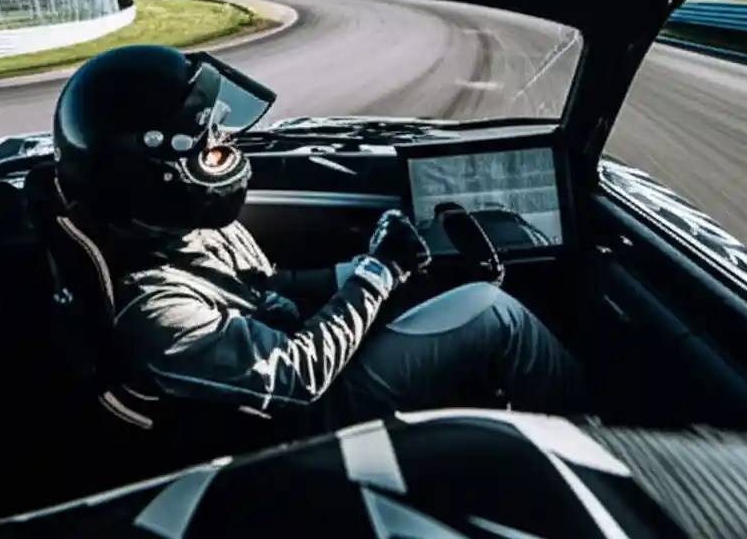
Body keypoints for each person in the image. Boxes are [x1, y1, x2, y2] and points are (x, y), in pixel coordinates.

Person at [52, 44, 585, 437]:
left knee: (441, 288)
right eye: (206, 146)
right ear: (154, 178)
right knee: (494, 314)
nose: (223, 149)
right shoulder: (154, 310)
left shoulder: (174, 231)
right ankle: (595, 435)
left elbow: (266, 286)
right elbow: (298, 377)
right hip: (306, 417)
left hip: (299, 349)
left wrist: (366, 267)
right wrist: (378, 273)